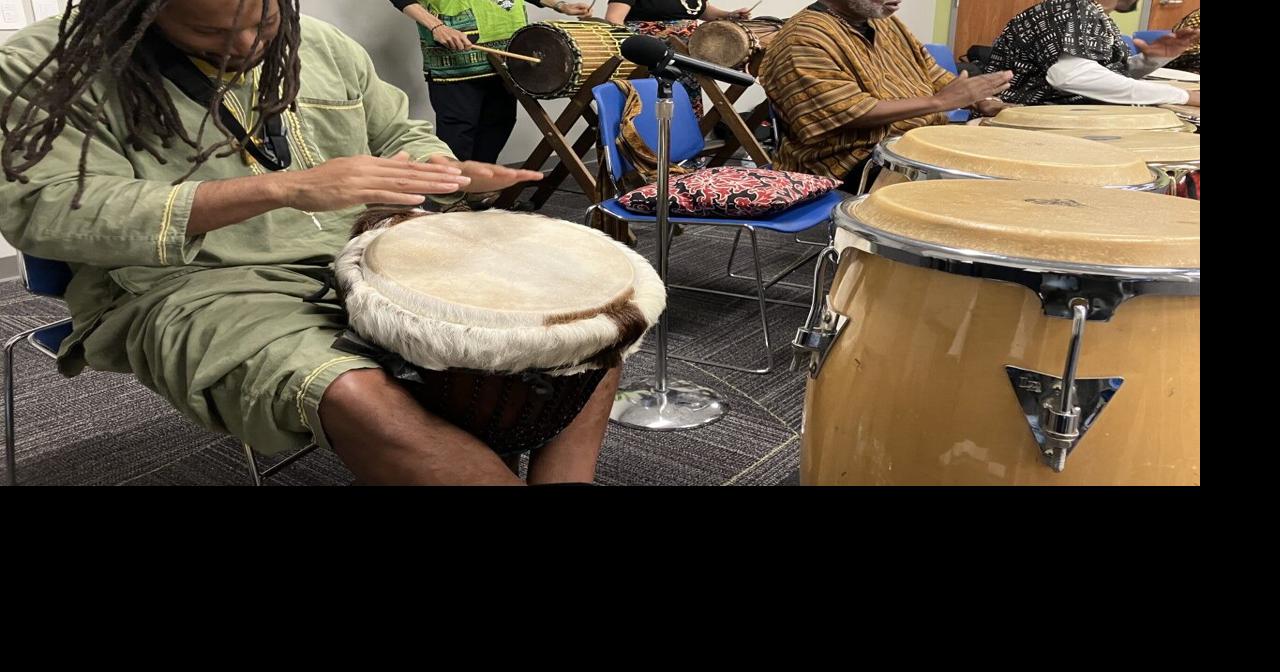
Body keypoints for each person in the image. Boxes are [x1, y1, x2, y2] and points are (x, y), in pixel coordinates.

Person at [0, 0, 618, 485]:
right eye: (211, 38)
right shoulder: (46, 67)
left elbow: (397, 130)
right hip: (184, 282)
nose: (245, 48)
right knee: (354, 393)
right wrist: (282, 189)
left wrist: (443, 169)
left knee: (584, 324)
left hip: (360, 250)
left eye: (265, 23)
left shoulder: (320, 43)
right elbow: (45, 210)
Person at [759, 0, 1012, 192]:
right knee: (972, 186)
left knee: (1003, 160)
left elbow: (931, 73)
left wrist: (981, 100)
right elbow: (849, 112)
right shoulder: (803, 39)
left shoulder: (885, 22)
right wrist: (941, 102)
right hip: (846, 160)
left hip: (910, 141)